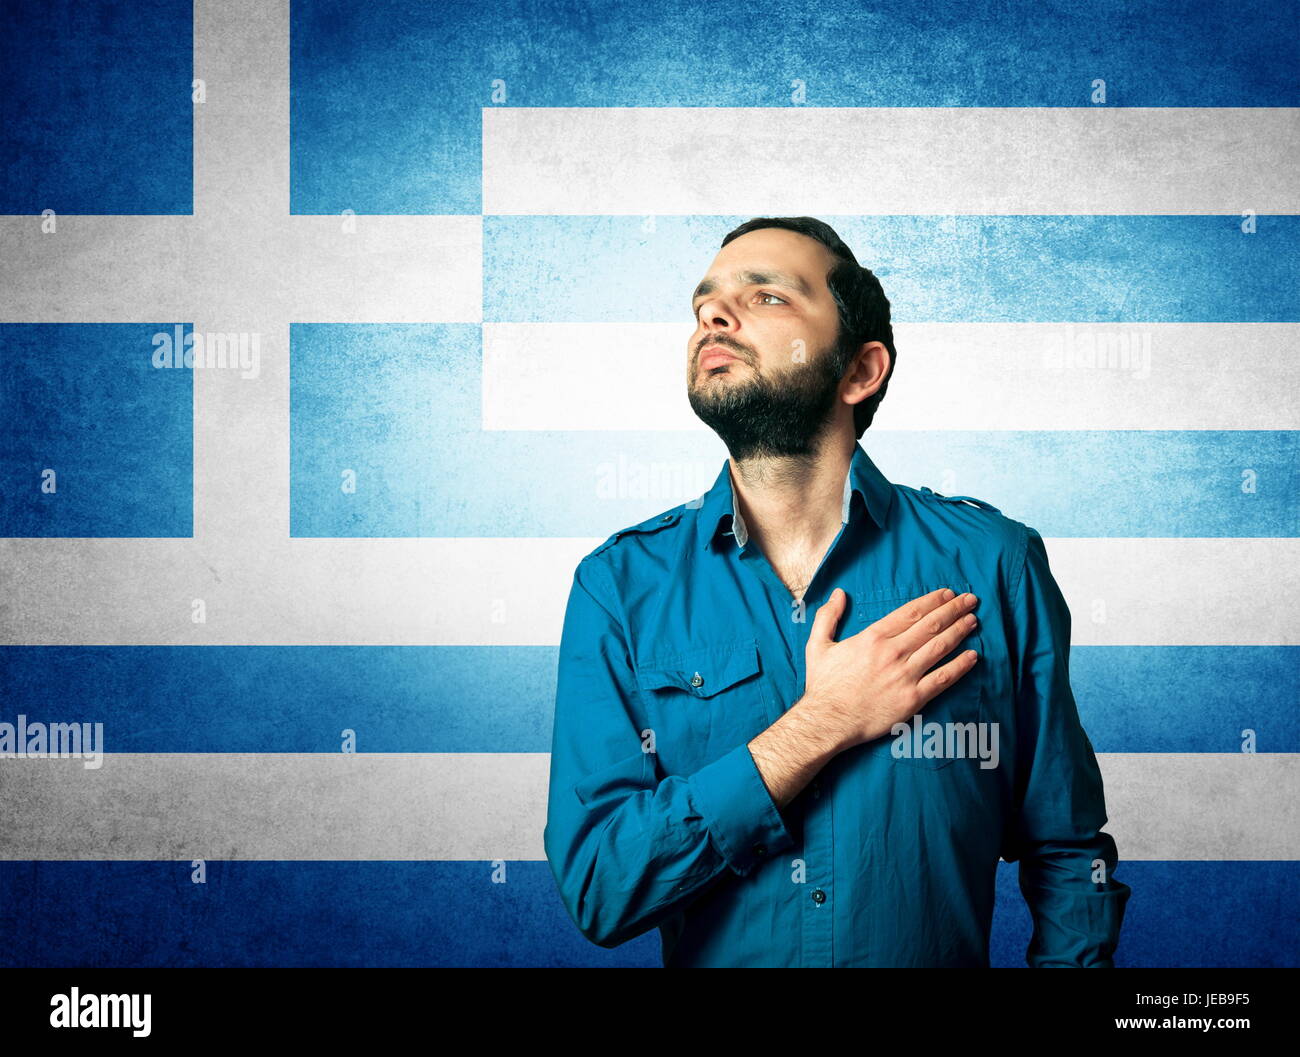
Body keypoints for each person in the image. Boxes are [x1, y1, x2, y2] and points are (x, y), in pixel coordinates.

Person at [543, 216, 1130, 967]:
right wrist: (820, 724)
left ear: (860, 370)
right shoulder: (618, 587)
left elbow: (1069, 851)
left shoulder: (995, 564)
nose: (714, 316)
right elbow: (601, 887)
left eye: (768, 297)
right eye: (705, 304)